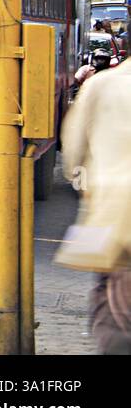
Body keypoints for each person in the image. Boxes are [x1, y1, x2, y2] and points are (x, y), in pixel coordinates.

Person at [57, 55, 131, 354]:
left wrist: (87, 187)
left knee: (112, 303)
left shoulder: (101, 85)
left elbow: (72, 154)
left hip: (113, 215)